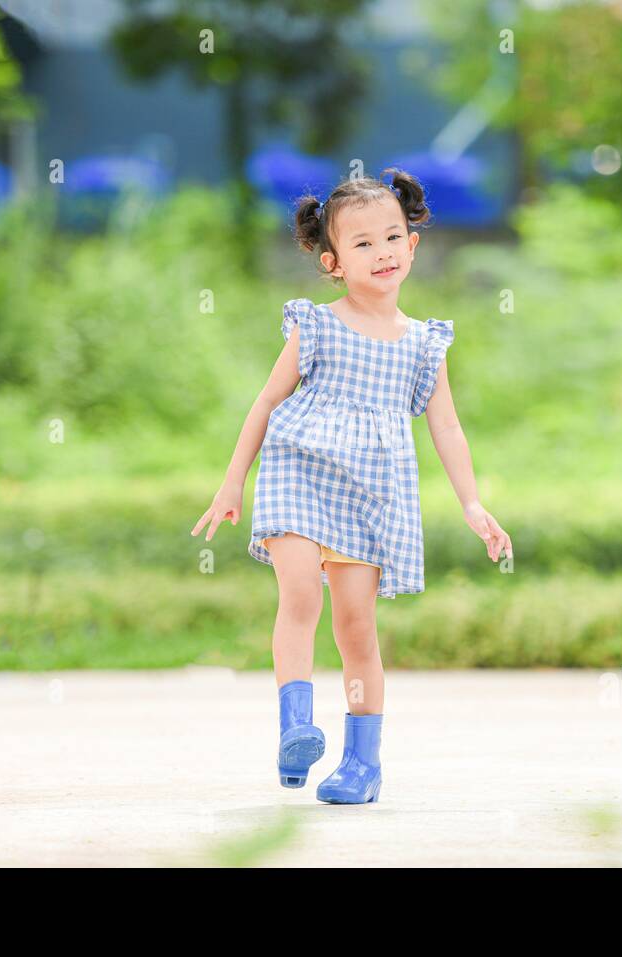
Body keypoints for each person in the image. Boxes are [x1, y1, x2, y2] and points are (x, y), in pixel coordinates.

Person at [191, 168, 512, 804]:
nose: (383, 252)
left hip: (372, 491)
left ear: (413, 246)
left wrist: (472, 504)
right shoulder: (316, 326)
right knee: (301, 594)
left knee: (357, 627)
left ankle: (363, 764)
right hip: (299, 470)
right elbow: (265, 402)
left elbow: (446, 428)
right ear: (333, 262)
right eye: (362, 244)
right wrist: (232, 483)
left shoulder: (425, 344)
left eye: (393, 237)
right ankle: (296, 728)